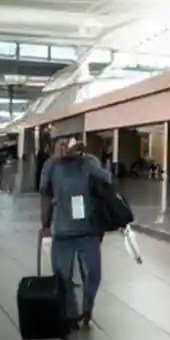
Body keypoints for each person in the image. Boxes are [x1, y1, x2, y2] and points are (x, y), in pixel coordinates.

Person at [40, 137, 112, 329]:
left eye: (69, 143)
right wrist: (45, 224)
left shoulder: (89, 162)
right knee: (62, 275)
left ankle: (87, 308)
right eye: (61, 143)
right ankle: (71, 313)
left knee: (93, 275)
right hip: (63, 231)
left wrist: (84, 160)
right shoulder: (52, 165)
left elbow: (106, 182)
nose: (66, 147)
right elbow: (45, 194)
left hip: (89, 231)